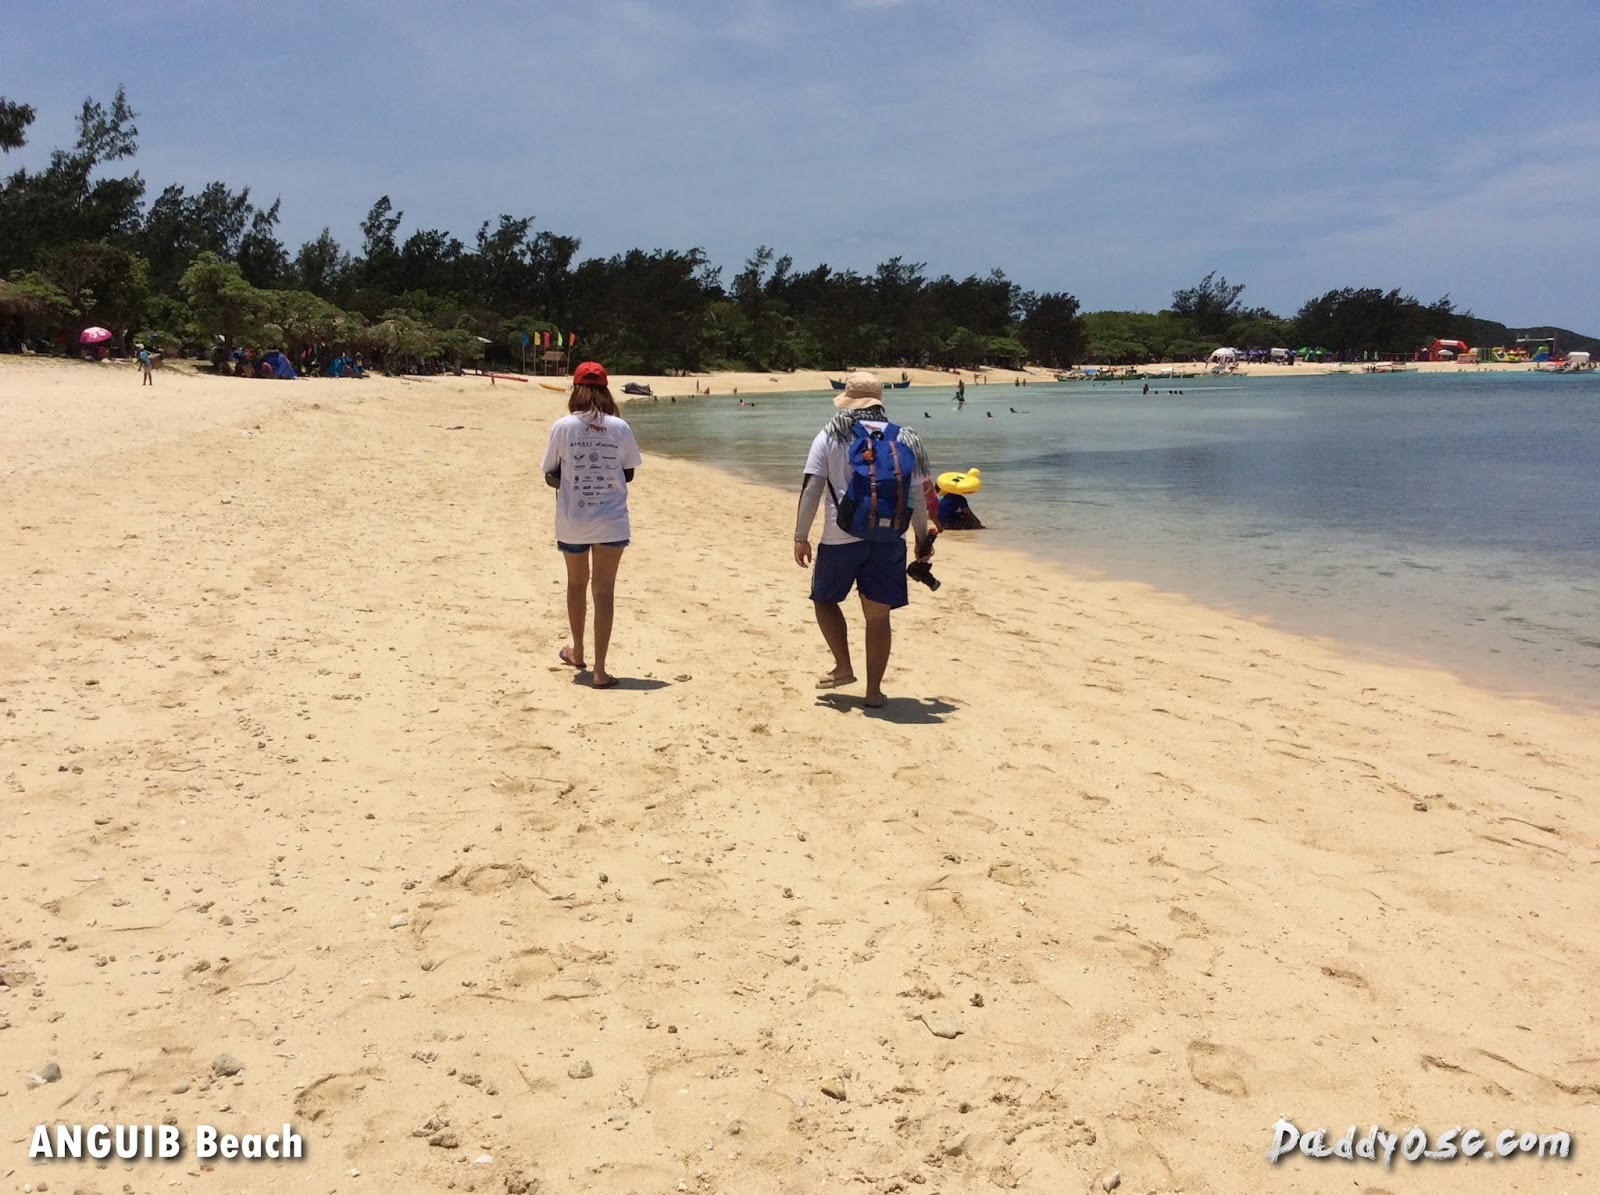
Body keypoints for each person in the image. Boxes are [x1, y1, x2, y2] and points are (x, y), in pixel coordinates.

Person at [793, 371, 934, 709]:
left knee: (825, 600)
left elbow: (812, 488)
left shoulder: (831, 434)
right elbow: (917, 494)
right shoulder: (906, 437)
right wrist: (921, 539)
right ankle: (873, 692)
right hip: (888, 538)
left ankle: (843, 666)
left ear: (848, 400)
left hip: (839, 536)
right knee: (878, 617)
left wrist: (800, 536)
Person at [540, 361, 641, 690]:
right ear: (606, 390)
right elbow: (628, 472)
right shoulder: (620, 427)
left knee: (575, 584)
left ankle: (578, 652)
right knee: (604, 591)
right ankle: (600, 670)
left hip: (573, 521)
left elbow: (549, 473)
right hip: (611, 521)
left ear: (576, 388)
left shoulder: (563, 426)